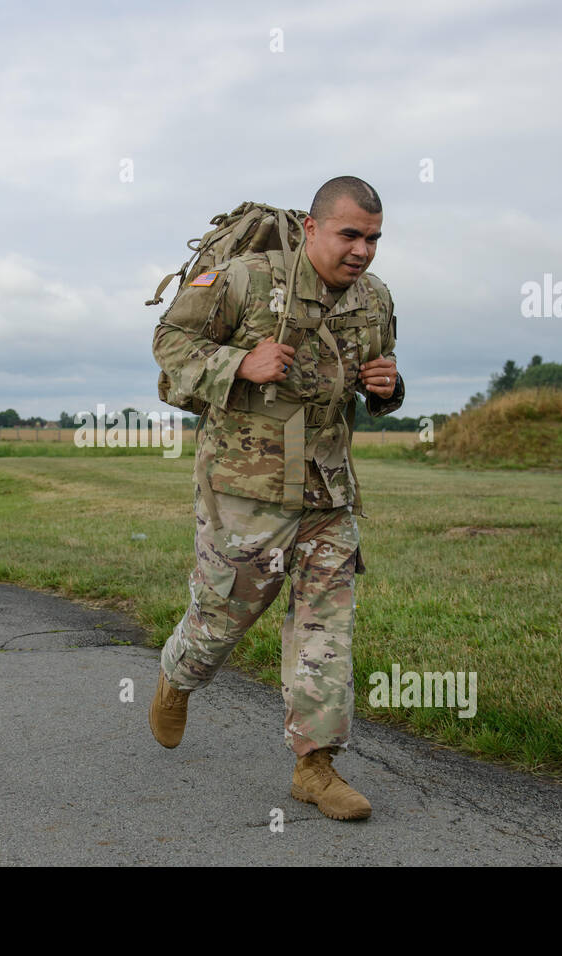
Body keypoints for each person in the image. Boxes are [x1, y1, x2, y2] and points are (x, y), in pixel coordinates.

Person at [149, 176, 404, 821]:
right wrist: (240, 365)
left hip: (328, 490)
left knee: (327, 627)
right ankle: (178, 677)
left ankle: (315, 767)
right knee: (222, 619)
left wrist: (388, 387)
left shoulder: (374, 299)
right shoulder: (244, 280)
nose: (363, 251)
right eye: (351, 235)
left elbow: (375, 375)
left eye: (373, 238)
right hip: (248, 488)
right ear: (313, 227)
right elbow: (169, 346)